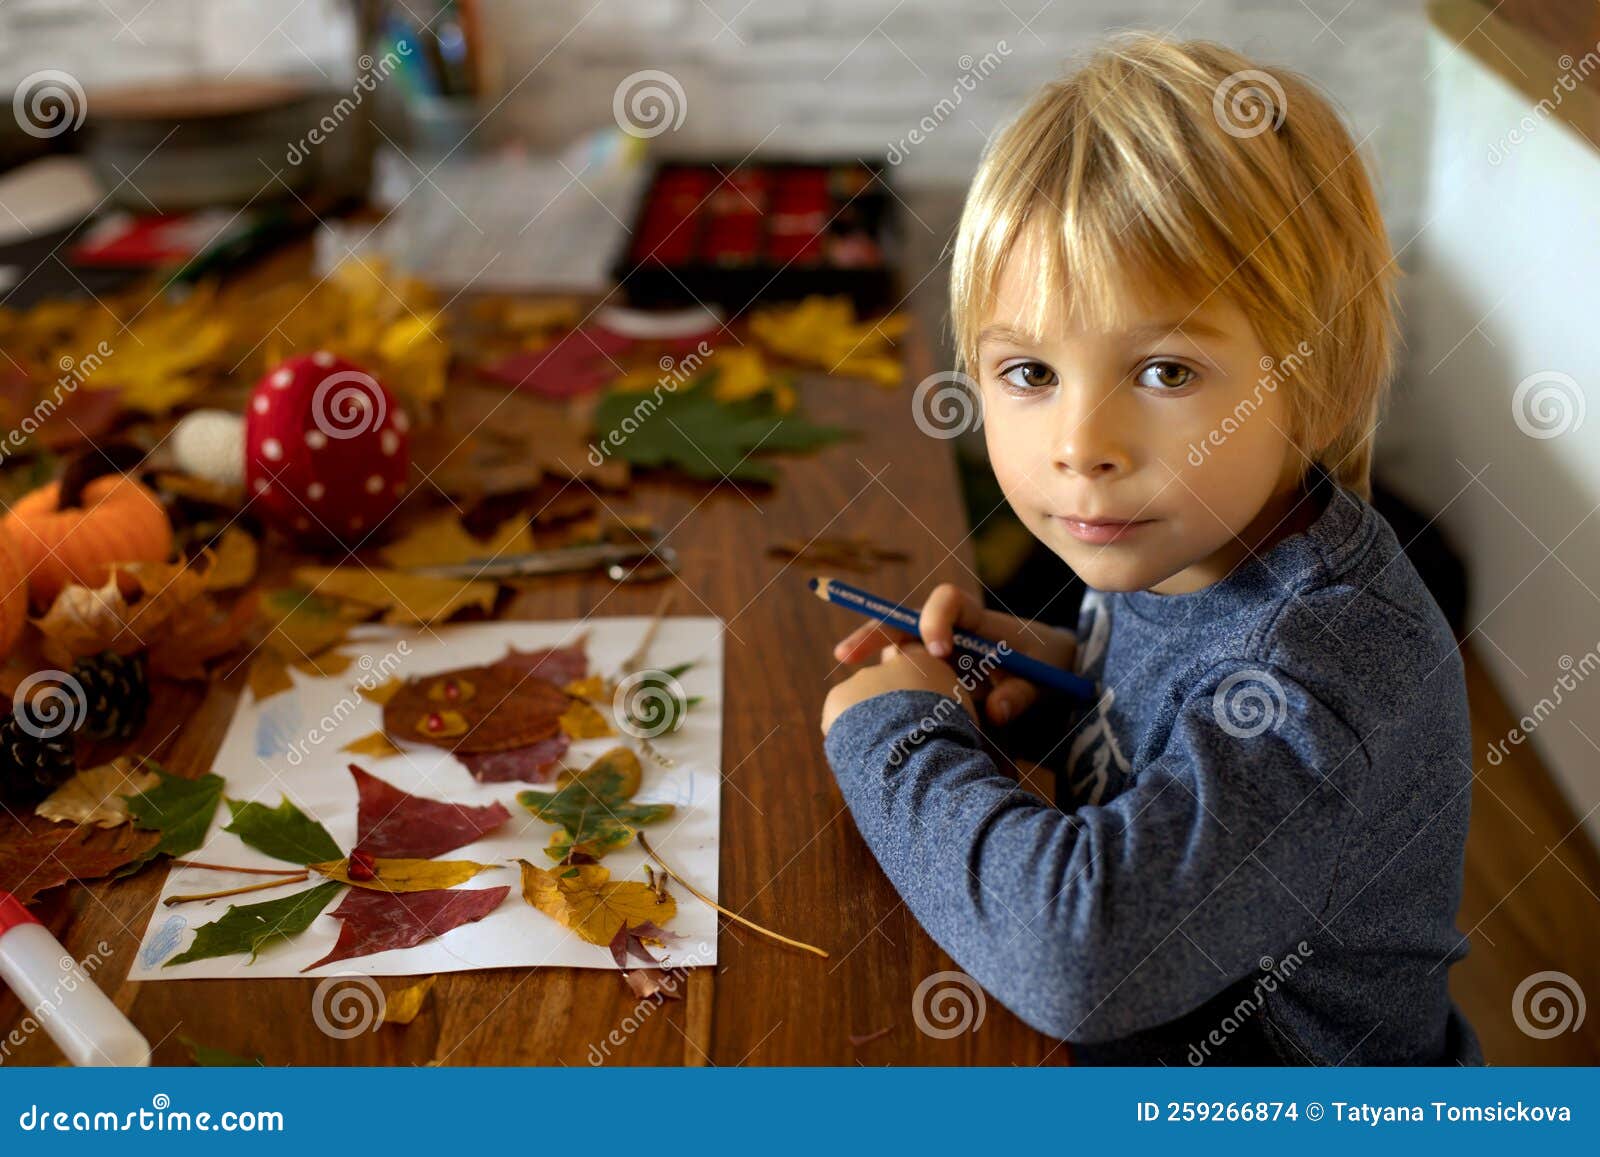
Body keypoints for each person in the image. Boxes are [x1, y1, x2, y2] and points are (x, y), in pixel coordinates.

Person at [820, 32, 1481, 1065]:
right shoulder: (1182, 537)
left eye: (1167, 372)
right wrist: (1055, 684)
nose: (1082, 447)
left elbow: (1082, 961)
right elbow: (1183, 719)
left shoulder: (1324, 668)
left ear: (1318, 376)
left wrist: (895, 737)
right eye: (1029, 372)